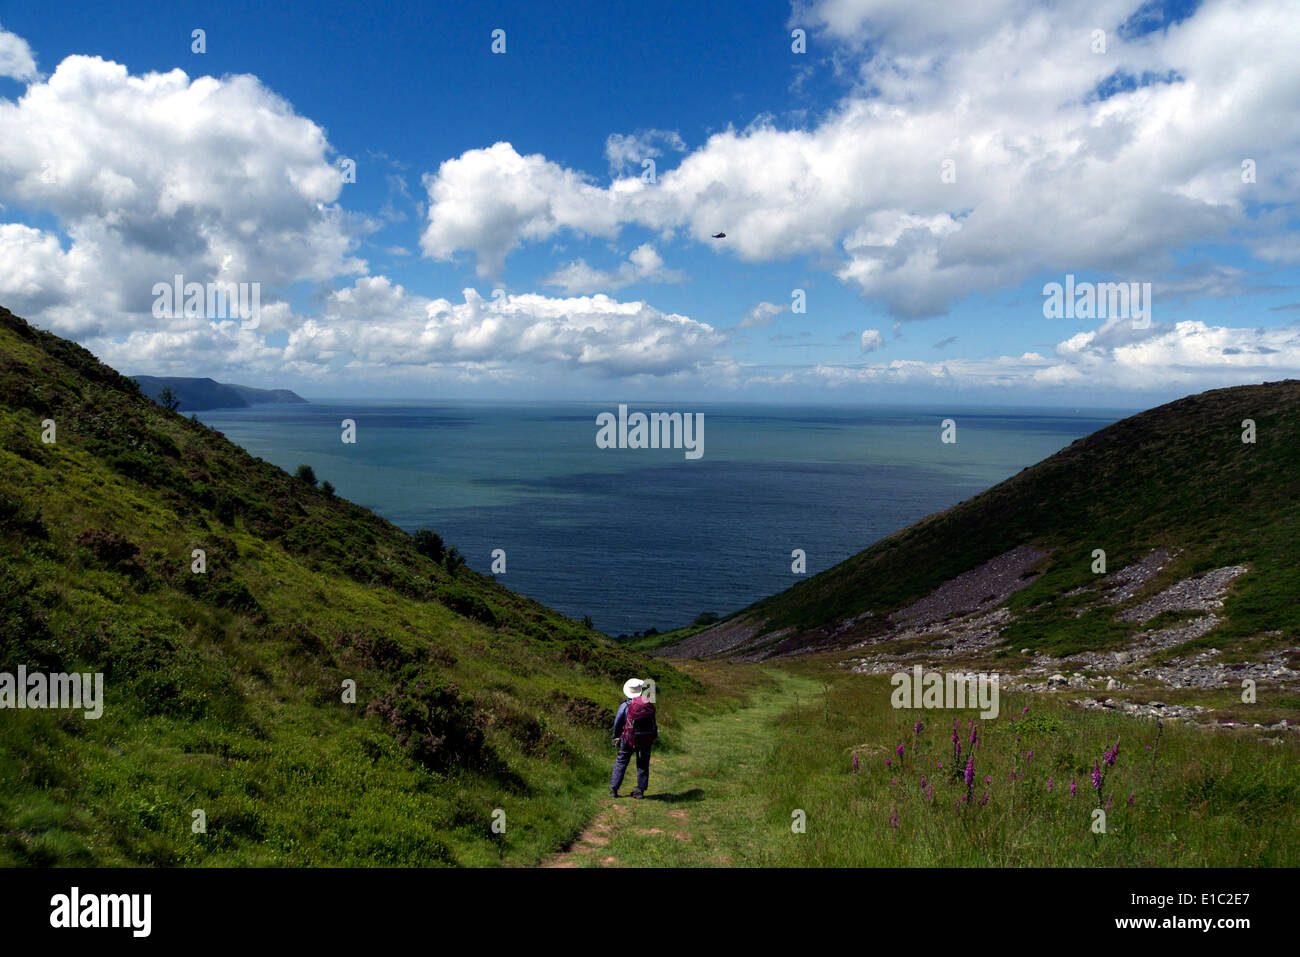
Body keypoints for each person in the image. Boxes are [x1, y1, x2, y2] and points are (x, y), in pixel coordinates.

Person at [610, 677, 657, 798]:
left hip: (627, 738)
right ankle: (640, 791)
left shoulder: (625, 705)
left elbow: (617, 723)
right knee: (643, 763)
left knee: (621, 761)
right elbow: (653, 722)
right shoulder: (648, 704)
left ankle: (613, 789)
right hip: (645, 739)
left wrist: (615, 736)